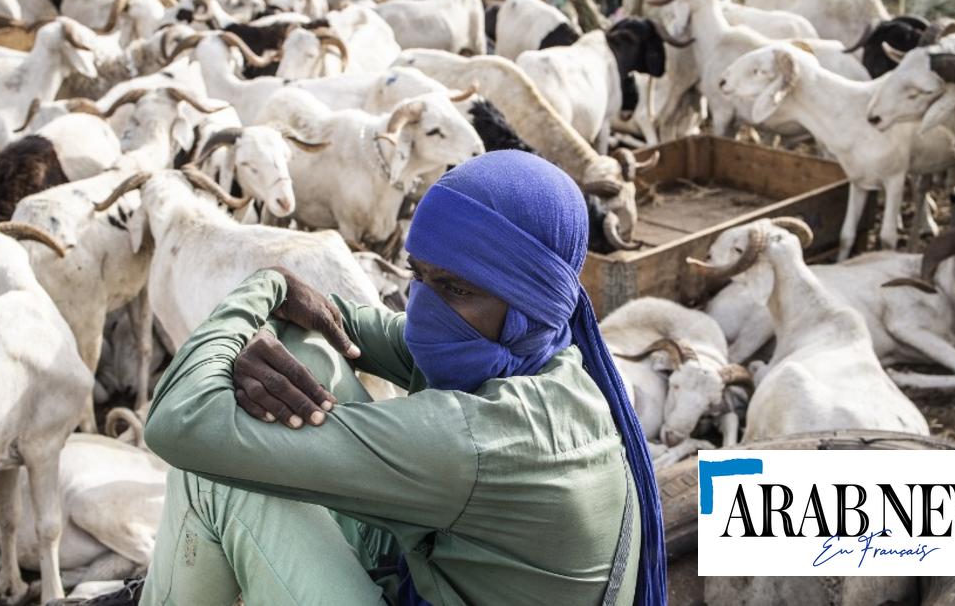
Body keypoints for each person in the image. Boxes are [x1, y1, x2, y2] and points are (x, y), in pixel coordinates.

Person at [131, 150, 667, 605]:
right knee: (310, 349)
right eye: (417, 276)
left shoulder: (478, 436)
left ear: (530, 301)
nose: (425, 307)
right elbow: (342, 323)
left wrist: (261, 288)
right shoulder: (547, 359)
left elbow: (177, 423)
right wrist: (282, 319)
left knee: (212, 477)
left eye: (456, 288)